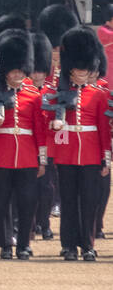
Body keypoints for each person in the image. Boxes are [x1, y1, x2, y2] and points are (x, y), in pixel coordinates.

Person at [42, 28, 112, 261]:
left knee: (90, 202)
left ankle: (88, 245)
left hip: (92, 155)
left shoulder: (100, 95)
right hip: (66, 154)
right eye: (78, 70)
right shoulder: (58, 93)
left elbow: (103, 129)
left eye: (85, 70)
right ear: (70, 70)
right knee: (69, 202)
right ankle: (69, 245)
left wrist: (106, 158)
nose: (82, 74)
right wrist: (53, 123)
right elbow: (46, 120)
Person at [0, 29, 44, 260]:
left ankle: (24, 244)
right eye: (13, 70)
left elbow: (40, 130)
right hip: (1, 155)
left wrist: (42, 158)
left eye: (20, 70)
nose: (17, 74)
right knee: (2, 200)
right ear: (6, 71)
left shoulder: (34, 95)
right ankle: (6, 243)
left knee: (27, 201)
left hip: (27, 155)